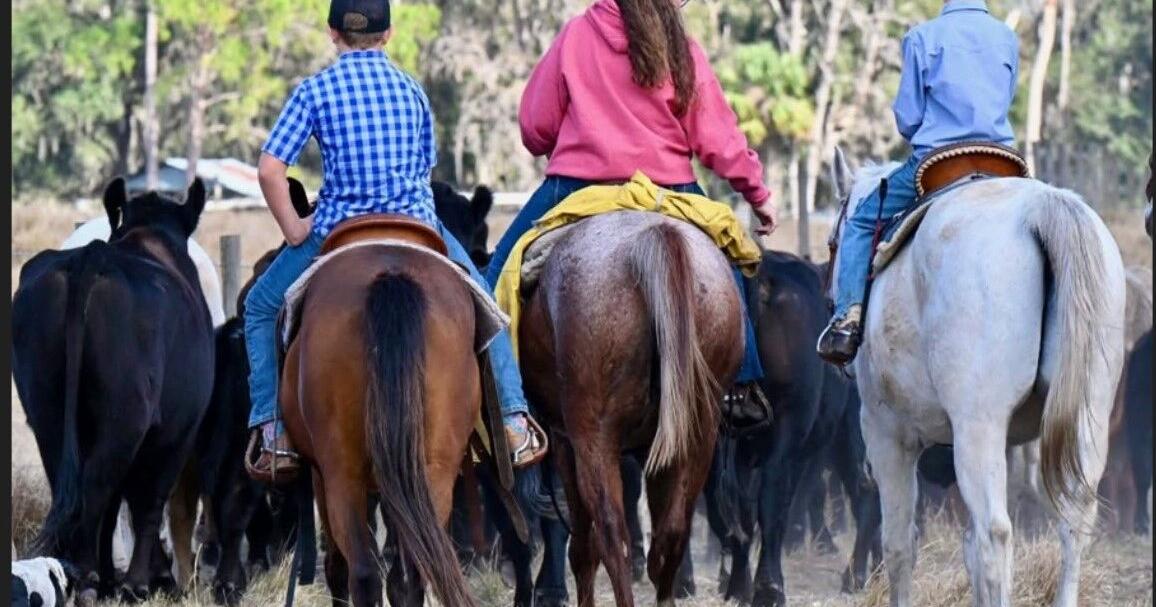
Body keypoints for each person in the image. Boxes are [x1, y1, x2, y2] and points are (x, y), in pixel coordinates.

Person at [244, 0, 545, 483]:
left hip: (339, 229)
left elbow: (269, 169)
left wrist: (296, 230)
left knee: (259, 307)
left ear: (332, 33)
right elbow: (424, 170)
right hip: (416, 224)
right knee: (485, 300)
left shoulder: (314, 91)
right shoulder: (412, 90)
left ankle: (273, 431)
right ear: (388, 36)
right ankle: (512, 420)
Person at [484, 0, 780, 416]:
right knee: (728, 262)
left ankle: (501, 400)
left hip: (577, 184)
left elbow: (537, 127)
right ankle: (741, 386)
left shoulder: (576, 36)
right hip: (669, 187)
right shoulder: (680, 44)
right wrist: (758, 195)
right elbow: (717, 137)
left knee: (495, 275)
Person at [817, 0, 1020, 364]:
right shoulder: (1006, 37)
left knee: (862, 221)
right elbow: (1005, 99)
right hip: (1001, 162)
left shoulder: (922, 37)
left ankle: (847, 320)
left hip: (939, 166)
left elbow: (908, 119)